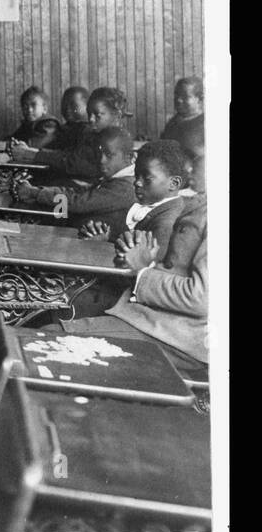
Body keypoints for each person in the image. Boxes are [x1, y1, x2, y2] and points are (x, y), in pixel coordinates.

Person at [41, 153, 208, 370]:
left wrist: (142, 269)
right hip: (150, 313)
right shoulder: (182, 205)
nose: (189, 172)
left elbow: (75, 203)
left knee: (48, 331)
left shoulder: (128, 192)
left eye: (108, 155)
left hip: (175, 333)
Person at [16, 126, 137, 232]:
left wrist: (36, 193)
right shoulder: (116, 178)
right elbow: (79, 192)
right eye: (99, 154)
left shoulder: (125, 187)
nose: (101, 160)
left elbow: (78, 202)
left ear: (129, 157)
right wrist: (38, 192)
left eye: (109, 155)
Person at [10, 85, 127, 182]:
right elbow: (68, 154)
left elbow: (76, 162)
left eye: (97, 114)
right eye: (89, 113)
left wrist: (32, 154)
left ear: (116, 116)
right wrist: (31, 152)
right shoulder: (91, 132)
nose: (91, 119)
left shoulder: (114, 140)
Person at [161, 76, 205, 159]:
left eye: (185, 96)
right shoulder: (173, 122)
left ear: (200, 99)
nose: (179, 100)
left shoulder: (206, 125)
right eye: (176, 95)